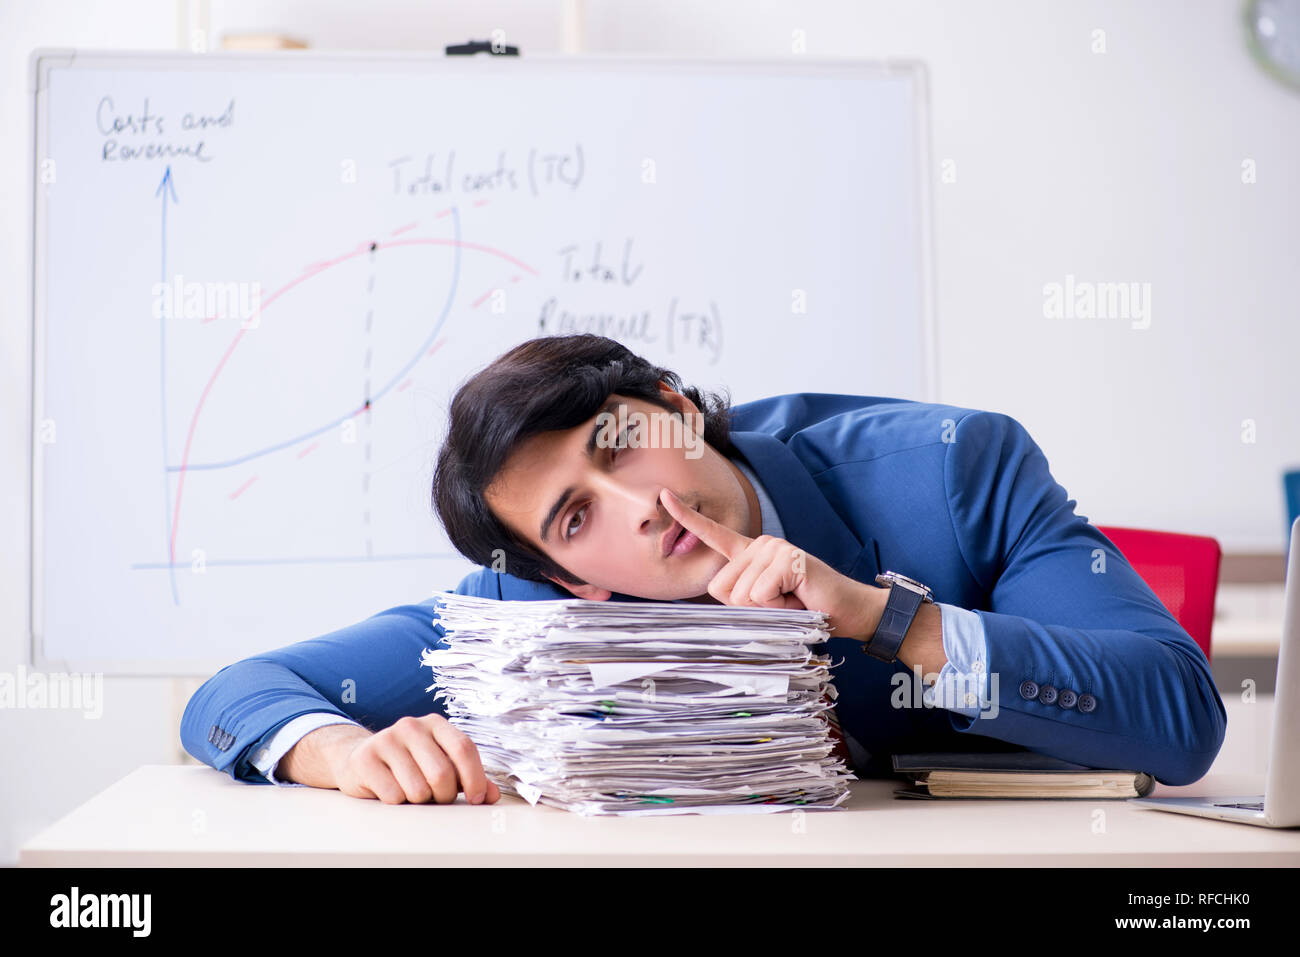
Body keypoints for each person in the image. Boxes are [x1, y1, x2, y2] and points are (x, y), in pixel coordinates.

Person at [181, 334, 1226, 805]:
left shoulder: (953, 472)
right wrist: (335, 752)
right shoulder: (535, 605)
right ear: (567, 579)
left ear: (675, 405)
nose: (640, 508)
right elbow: (237, 696)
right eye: (578, 514)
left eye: (617, 441)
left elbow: (1179, 720)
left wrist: (880, 617)